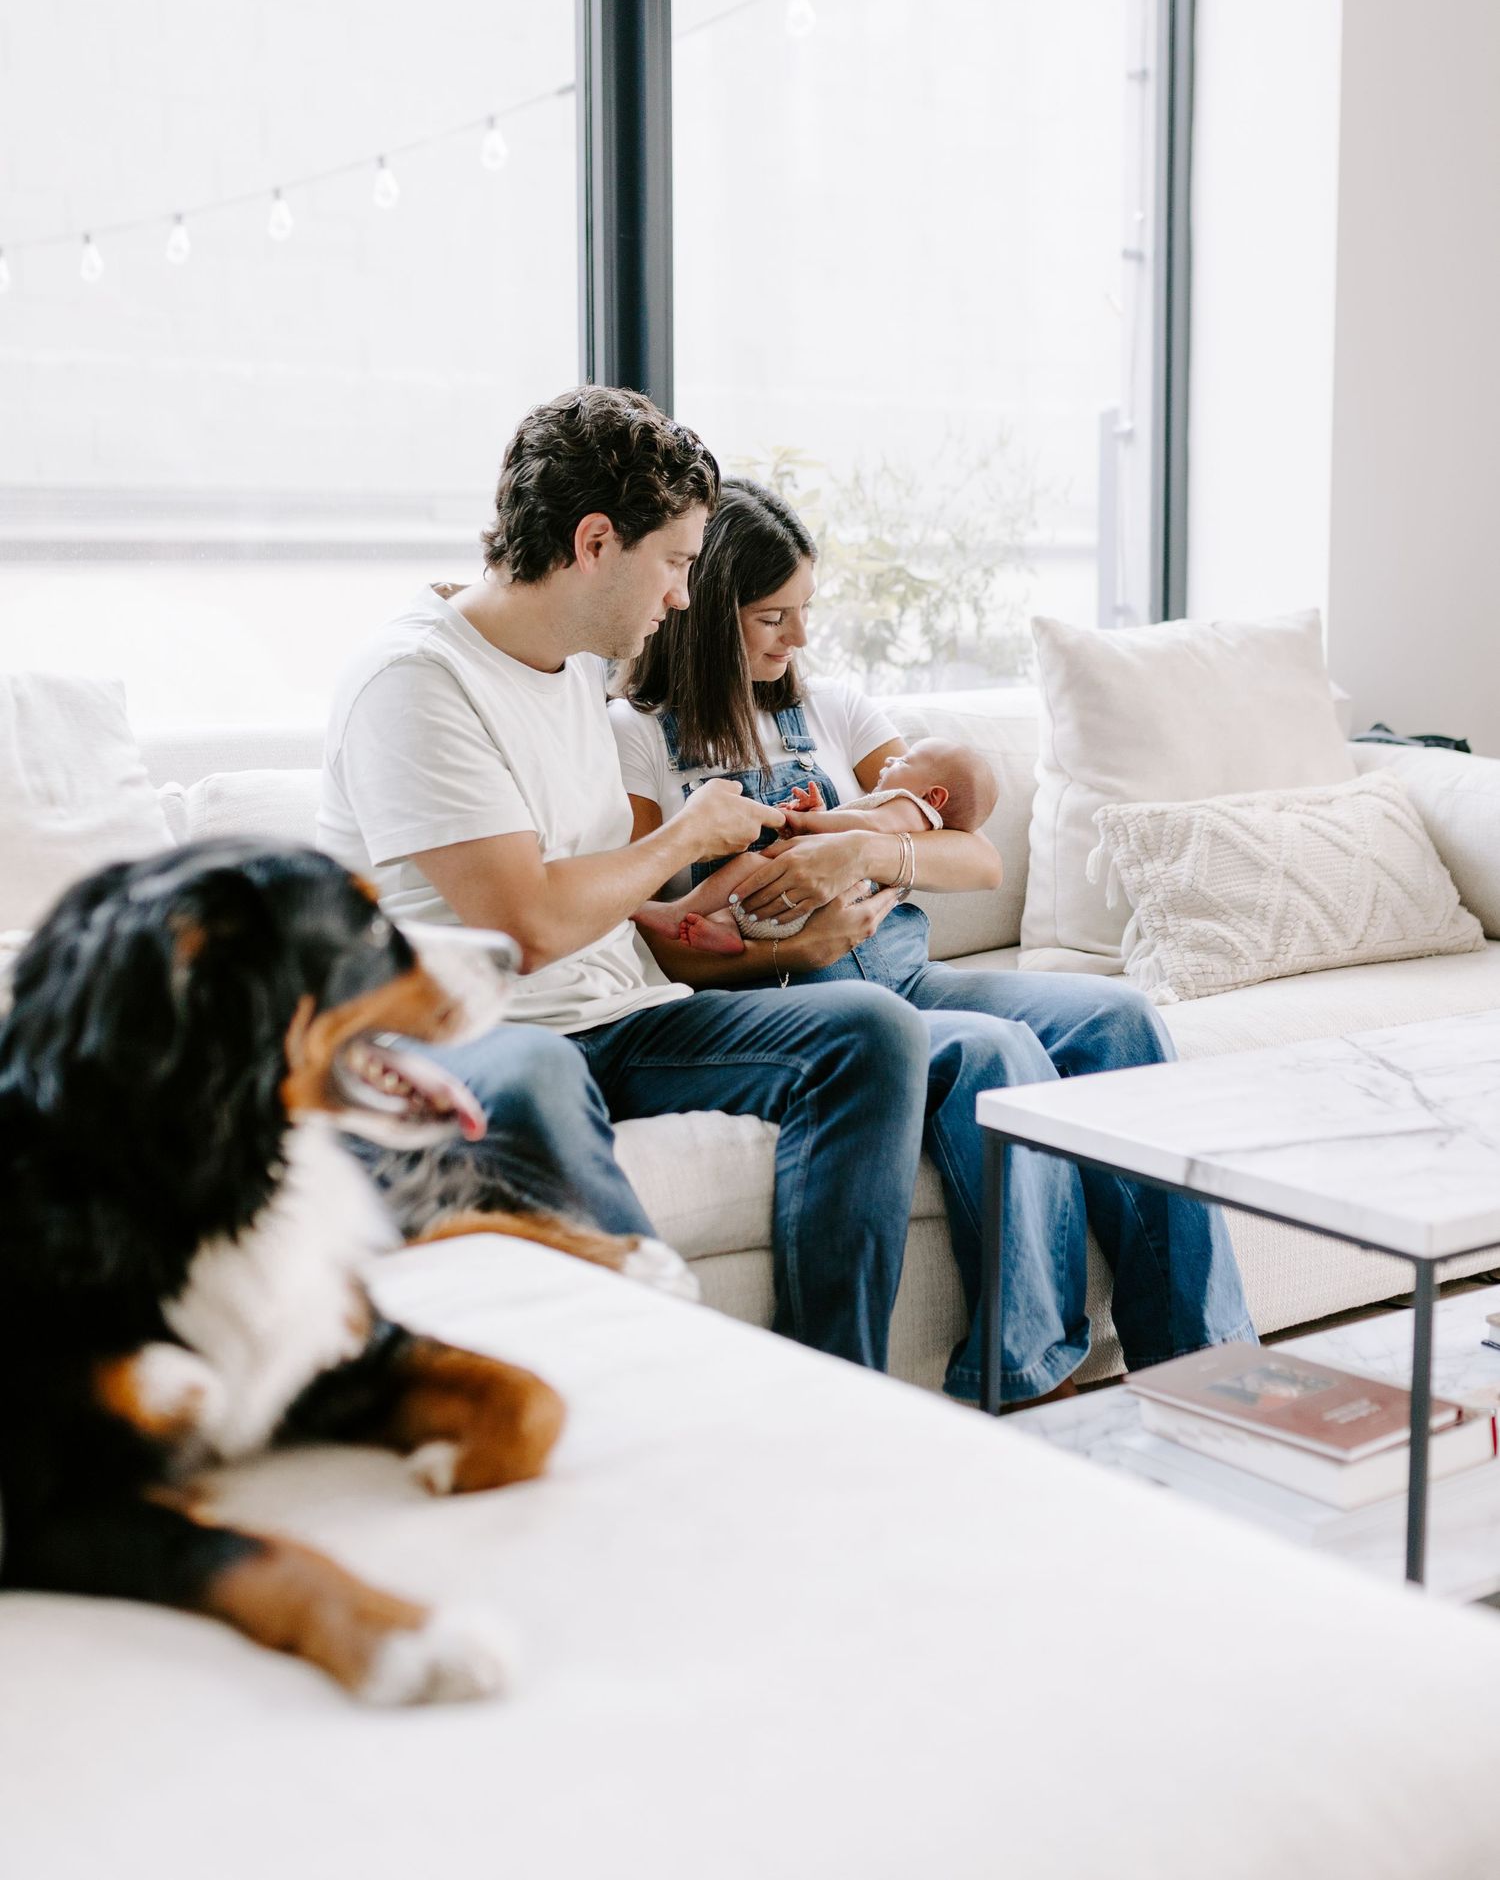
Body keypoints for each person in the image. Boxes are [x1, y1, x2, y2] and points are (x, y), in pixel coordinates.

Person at [318, 387, 936, 1374]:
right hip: (472, 1035)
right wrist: (683, 835)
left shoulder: (573, 665)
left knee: (874, 1028)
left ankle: (832, 1386)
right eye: (678, 563)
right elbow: (519, 928)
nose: (685, 597)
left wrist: (679, 913)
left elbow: (581, 872)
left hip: (617, 1015)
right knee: (539, 1067)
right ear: (596, 542)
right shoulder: (415, 681)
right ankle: (671, 1372)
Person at [610, 478, 1255, 1405]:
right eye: (772, 618)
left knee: (1121, 1019)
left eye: (805, 611)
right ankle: (1027, 1378)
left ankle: (1206, 1363)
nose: (798, 639)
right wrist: (799, 950)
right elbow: (667, 946)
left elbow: (974, 857)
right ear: (707, 616)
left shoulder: (834, 709)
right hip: (788, 1007)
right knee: (996, 1051)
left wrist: (864, 850)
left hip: (906, 975)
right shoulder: (636, 737)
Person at [632, 737, 998, 955]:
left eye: (903, 761)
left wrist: (807, 823)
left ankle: (681, 911)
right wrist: (823, 817)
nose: (890, 759)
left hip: (821, 907)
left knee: (748, 866)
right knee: (746, 885)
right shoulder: (909, 814)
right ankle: (727, 927)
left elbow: (866, 829)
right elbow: (849, 834)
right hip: (809, 917)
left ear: (934, 797)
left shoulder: (909, 807)